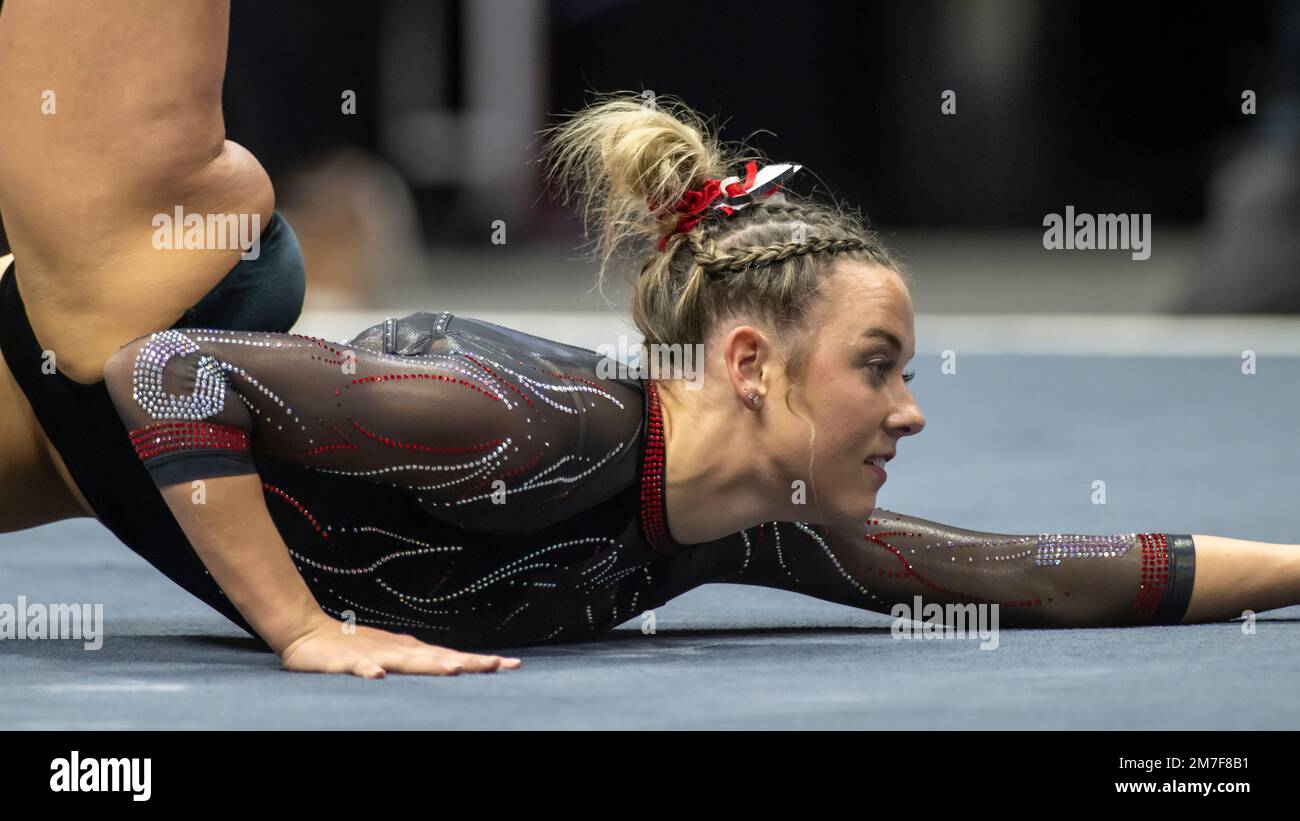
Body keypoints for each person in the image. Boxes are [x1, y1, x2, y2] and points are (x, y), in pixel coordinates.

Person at [94, 92, 1300, 678]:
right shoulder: (533, 428)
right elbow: (166, 366)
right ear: (747, 363)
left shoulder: (740, 524)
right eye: (875, 367)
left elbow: (1034, 573)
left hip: (75, 465)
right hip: (77, 369)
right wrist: (302, 632)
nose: (909, 410)